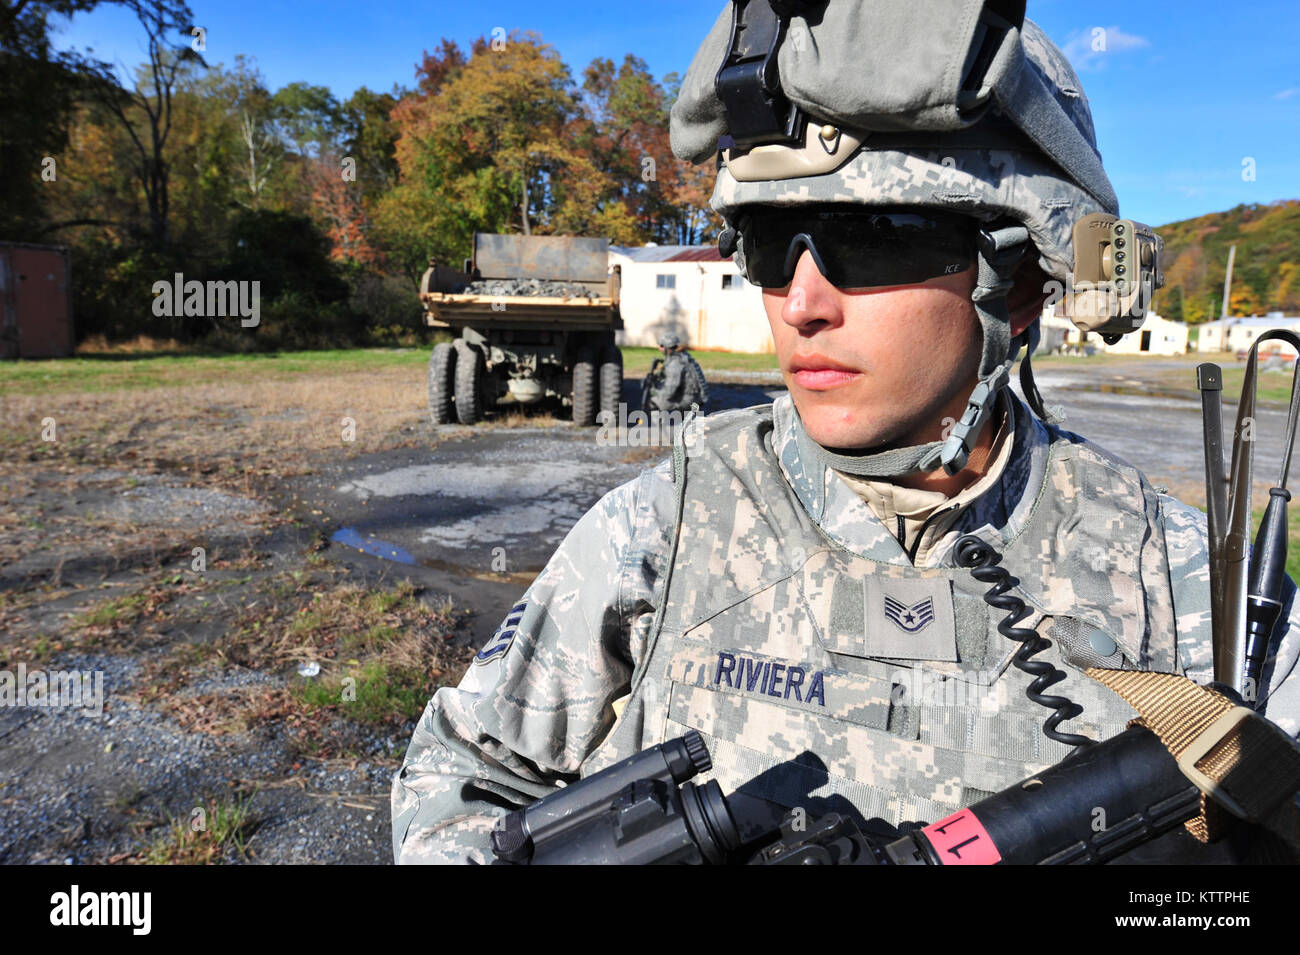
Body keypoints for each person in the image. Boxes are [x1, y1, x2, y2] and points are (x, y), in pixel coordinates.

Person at [392, 1, 1300, 864]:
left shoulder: (1190, 585)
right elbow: (458, 775)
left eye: (874, 237)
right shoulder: (666, 524)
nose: (803, 303)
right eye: (768, 241)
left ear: (1019, 282)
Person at [642, 331, 710, 416]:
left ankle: (661, 427)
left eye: (661, 346)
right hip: (696, 396)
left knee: (657, 402)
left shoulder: (675, 363)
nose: (659, 348)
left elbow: (669, 391)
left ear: (666, 347)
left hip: (693, 401)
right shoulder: (682, 356)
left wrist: (653, 391)